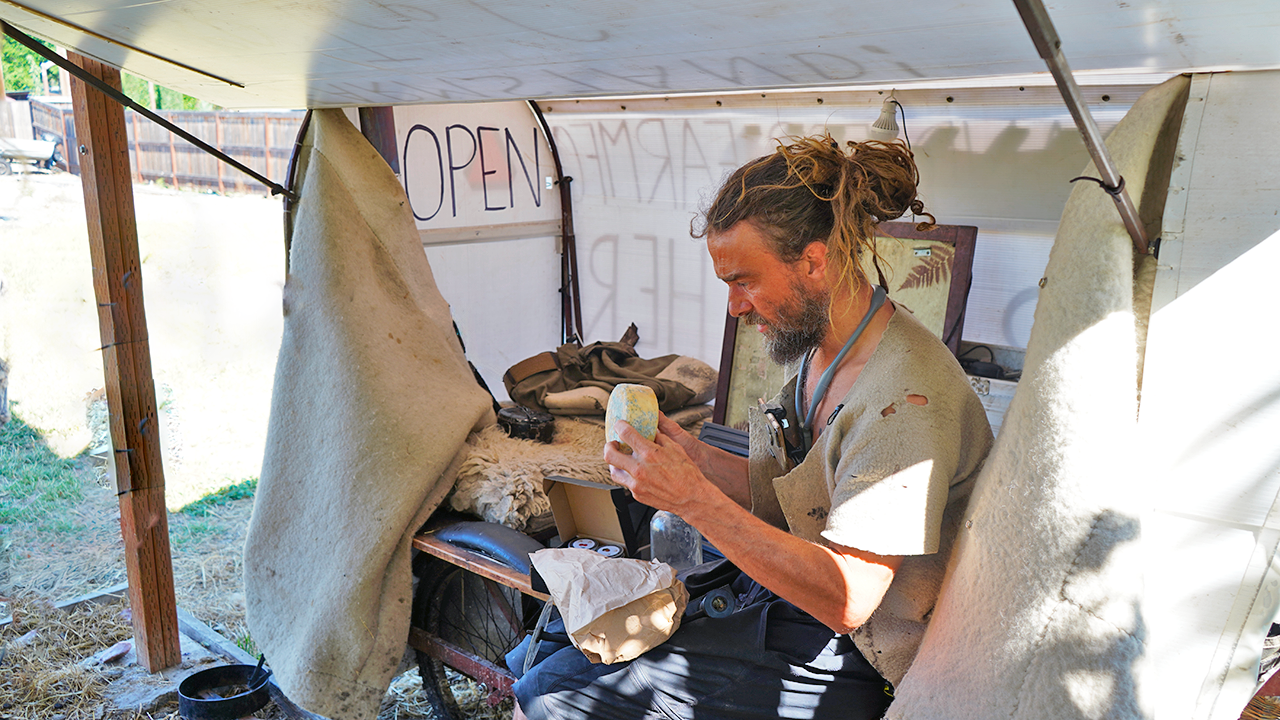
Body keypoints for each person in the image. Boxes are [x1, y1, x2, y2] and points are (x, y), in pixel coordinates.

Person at [507, 134, 993, 720]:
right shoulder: (825, 352)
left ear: (813, 261)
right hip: (791, 600)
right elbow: (795, 495)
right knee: (549, 656)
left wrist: (695, 500)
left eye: (744, 281)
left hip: (860, 654)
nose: (735, 307)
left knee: (556, 698)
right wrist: (694, 458)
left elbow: (851, 600)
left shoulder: (903, 402)